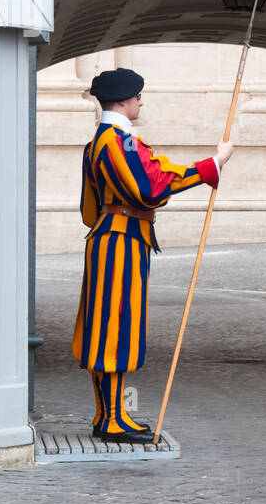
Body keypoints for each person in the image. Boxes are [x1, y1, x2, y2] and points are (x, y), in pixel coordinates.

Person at [71, 67, 234, 443]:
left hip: (109, 237)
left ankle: (109, 415)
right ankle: (111, 420)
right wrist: (213, 165)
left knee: (105, 328)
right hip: (121, 242)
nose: (141, 102)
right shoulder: (118, 142)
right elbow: (151, 187)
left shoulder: (99, 142)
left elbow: (88, 209)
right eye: (138, 96)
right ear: (125, 100)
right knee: (114, 330)